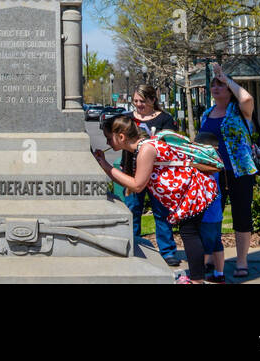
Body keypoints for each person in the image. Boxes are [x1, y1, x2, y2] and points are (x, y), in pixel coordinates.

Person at [93, 113, 220, 284]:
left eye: (109, 138)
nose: (107, 142)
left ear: (121, 136)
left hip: (193, 190)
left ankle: (197, 280)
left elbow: (137, 185)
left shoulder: (146, 149)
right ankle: (196, 277)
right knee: (190, 232)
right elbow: (132, 183)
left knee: (189, 233)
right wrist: (106, 166)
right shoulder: (142, 148)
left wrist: (107, 167)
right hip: (191, 190)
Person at [199, 63, 257, 280]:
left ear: (229, 90)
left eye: (220, 85)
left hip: (239, 171)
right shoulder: (206, 114)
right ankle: (212, 257)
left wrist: (226, 78)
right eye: (214, 85)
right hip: (213, 173)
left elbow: (247, 99)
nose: (216, 88)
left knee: (242, 216)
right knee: (212, 217)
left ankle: (241, 260)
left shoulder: (239, 110)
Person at [118, 84, 180, 266]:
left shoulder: (165, 119)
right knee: (132, 210)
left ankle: (168, 251)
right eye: (135, 101)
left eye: (142, 101)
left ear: (153, 100)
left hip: (159, 174)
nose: (138, 105)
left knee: (161, 213)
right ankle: (134, 247)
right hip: (132, 171)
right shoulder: (127, 119)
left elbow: (170, 146)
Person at [195, 130, 226, 283]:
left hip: (206, 214)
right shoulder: (217, 161)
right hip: (216, 214)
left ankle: (199, 275)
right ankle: (219, 274)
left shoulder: (207, 164)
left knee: (204, 246)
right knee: (216, 244)